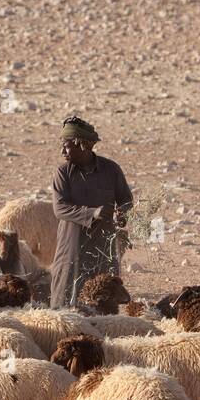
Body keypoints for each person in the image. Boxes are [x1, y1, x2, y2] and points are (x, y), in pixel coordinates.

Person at [50, 113, 133, 308]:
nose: (63, 150)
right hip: (72, 247)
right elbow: (60, 208)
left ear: (83, 145)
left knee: (104, 300)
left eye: (67, 145)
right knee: (65, 300)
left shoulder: (111, 170)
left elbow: (125, 200)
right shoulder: (63, 173)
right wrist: (92, 213)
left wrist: (123, 214)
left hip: (103, 248)